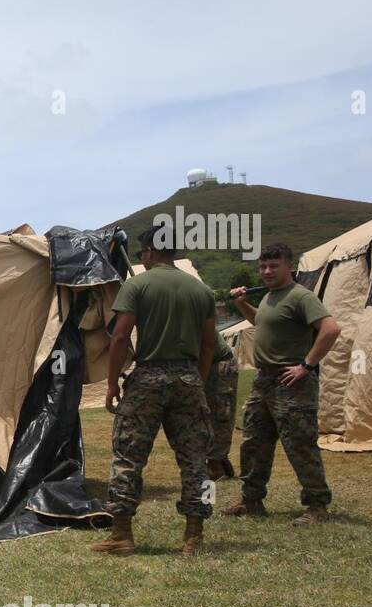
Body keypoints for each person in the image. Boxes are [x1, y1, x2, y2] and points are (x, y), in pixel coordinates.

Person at [91, 224, 217, 557]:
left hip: (148, 379)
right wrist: (197, 380)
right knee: (195, 460)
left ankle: (121, 535)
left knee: (128, 456)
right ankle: (194, 536)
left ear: (148, 252)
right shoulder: (201, 291)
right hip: (189, 379)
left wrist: (111, 382)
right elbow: (209, 346)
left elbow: (119, 338)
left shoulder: (137, 285)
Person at [226, 244, 341, 524]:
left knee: (299, 444)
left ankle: (316, 506)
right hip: (263, 380)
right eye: (263, 267)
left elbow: (331, 329)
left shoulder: (300, 296)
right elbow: (262, 322)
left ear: (290, 267)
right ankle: (252, 499)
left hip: (291, 382)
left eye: (273, 266)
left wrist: (306, 365)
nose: (266, 271)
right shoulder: (270, 297)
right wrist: (241, 303)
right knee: (254, 442)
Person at [205, 330, 240, 481]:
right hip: (209, 363)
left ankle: (215, 465)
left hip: (219, 364)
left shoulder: (188, 311)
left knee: (220, 415)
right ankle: (220, 459)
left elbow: (207, 346)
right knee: (210, 414)